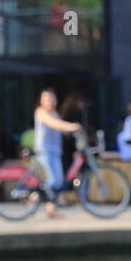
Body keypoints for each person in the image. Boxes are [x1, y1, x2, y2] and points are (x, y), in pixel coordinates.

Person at [33, 88, 82, 217]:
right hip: (44, 151)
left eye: (52, 98)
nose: (50, 101)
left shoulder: (54, 112)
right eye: (46, 98)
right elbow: (54, 124)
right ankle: (34, 195)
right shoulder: (40, 112)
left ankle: (51, 209)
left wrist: (71, 131)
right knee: (53, 180)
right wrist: (71, 126)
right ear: (41, 100)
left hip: (55, 151)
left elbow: (60, 128)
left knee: (59, 181)